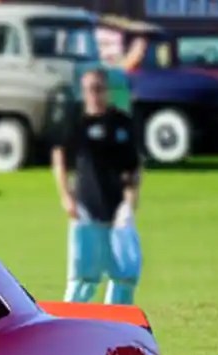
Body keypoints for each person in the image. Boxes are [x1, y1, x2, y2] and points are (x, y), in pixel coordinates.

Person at [52, 68, 142, 305]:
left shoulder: (122, 123)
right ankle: (69, 326)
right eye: (90, 89)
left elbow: (133, 165)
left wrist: (132, 199)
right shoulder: (77, 124)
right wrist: (65, 195)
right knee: (84, 277)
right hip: (86, 207)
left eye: (99, 89)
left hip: (118, 208)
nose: (95, 94)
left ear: (107, 91)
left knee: (124, 275)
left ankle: (115, 324)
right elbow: (60, 156)